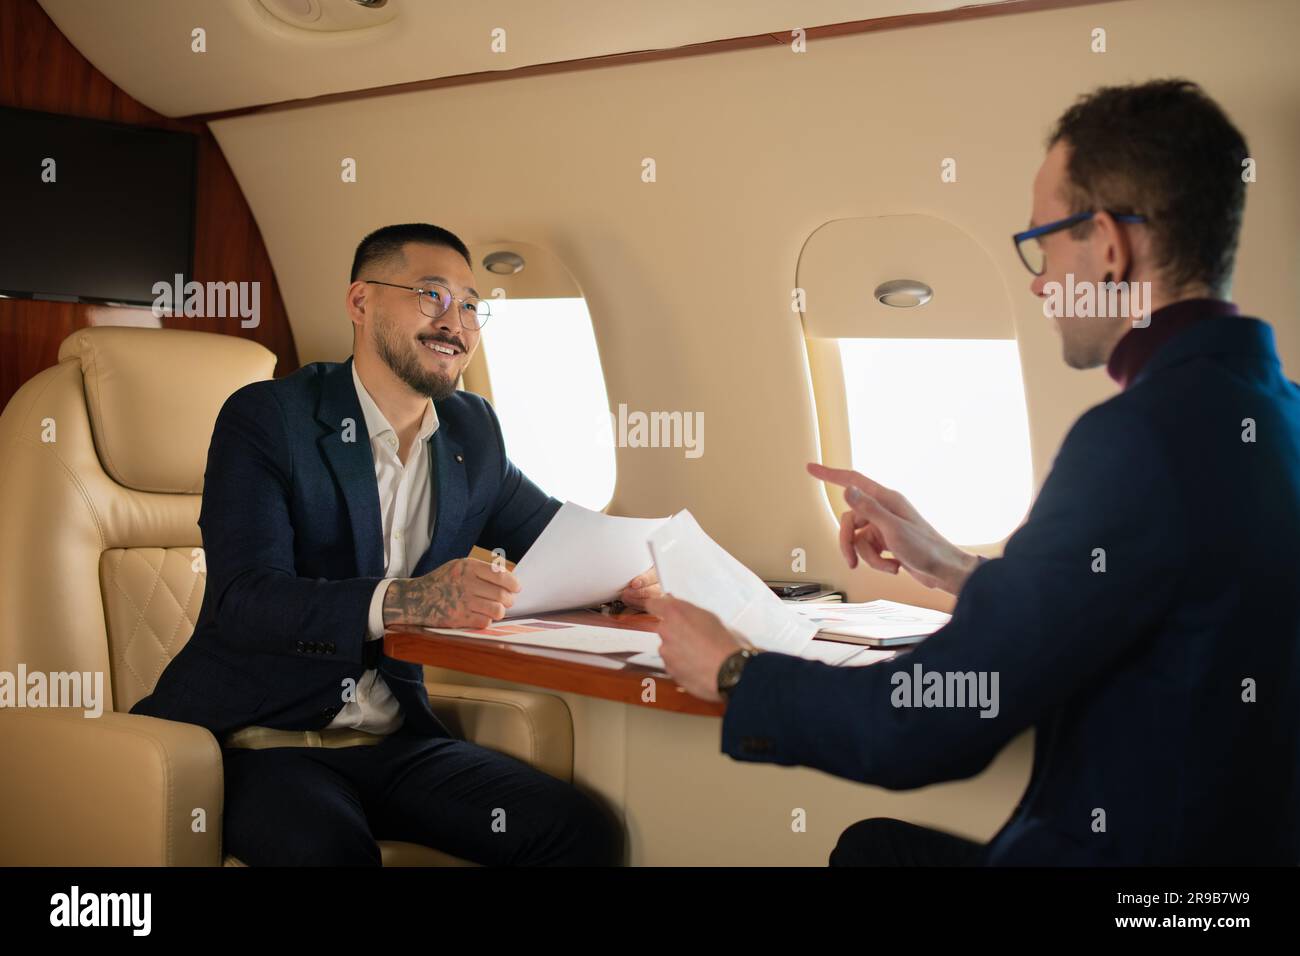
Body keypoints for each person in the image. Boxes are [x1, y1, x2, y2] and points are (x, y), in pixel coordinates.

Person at [647, 79, 1300, 865]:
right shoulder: (1277, 411)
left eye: (1044, 242)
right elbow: (1146, 601)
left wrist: (734, 672)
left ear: (1107, 243)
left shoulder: (1137, 440)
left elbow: (933, 722)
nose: (1034, 279)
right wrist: (952, 565)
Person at [133, 223, 659, 865]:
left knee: (577, 830)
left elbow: (557, 538)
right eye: (431, 295)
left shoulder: (474, 430)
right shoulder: (270, 419)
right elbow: (247, 599)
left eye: (470, 305)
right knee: (331, 854)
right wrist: (410, 601)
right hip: (260, 741)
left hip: (395, 744)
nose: (455, 323)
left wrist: (633, 580)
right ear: (361, 303)